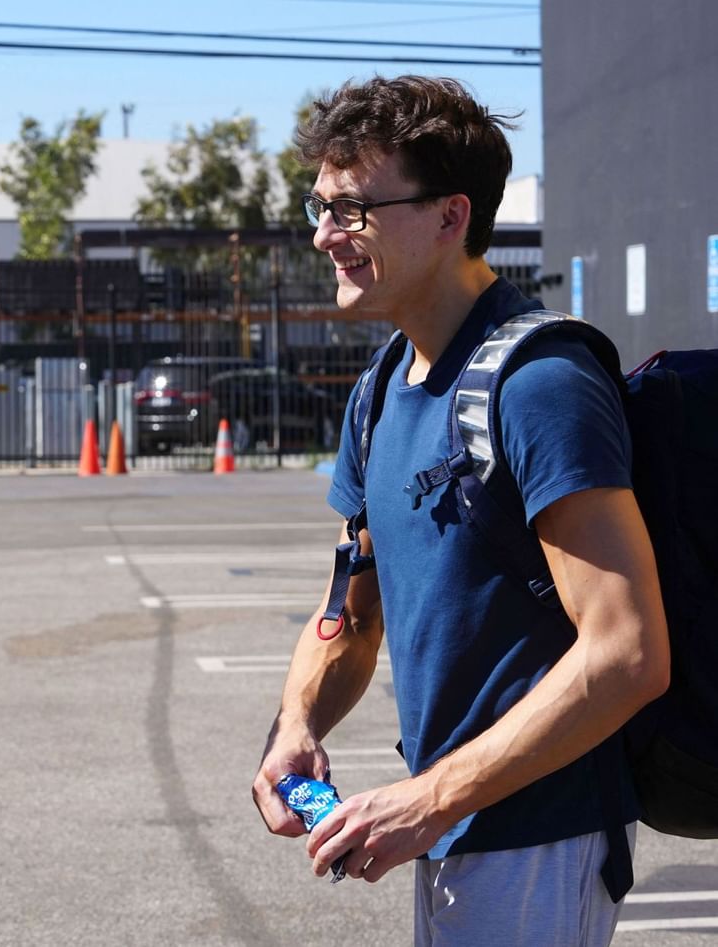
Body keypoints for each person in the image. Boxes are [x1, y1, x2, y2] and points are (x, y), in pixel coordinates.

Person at [250, 76, 669, 945]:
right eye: (320, 208)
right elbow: (349, 616)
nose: (326, 235)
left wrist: (430, 799)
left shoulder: (542, 383)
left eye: (356, 210)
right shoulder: (378, 391)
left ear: (450, 216)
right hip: (451, 828)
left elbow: (628, 652)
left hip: (536, 837)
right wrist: (296, 725)